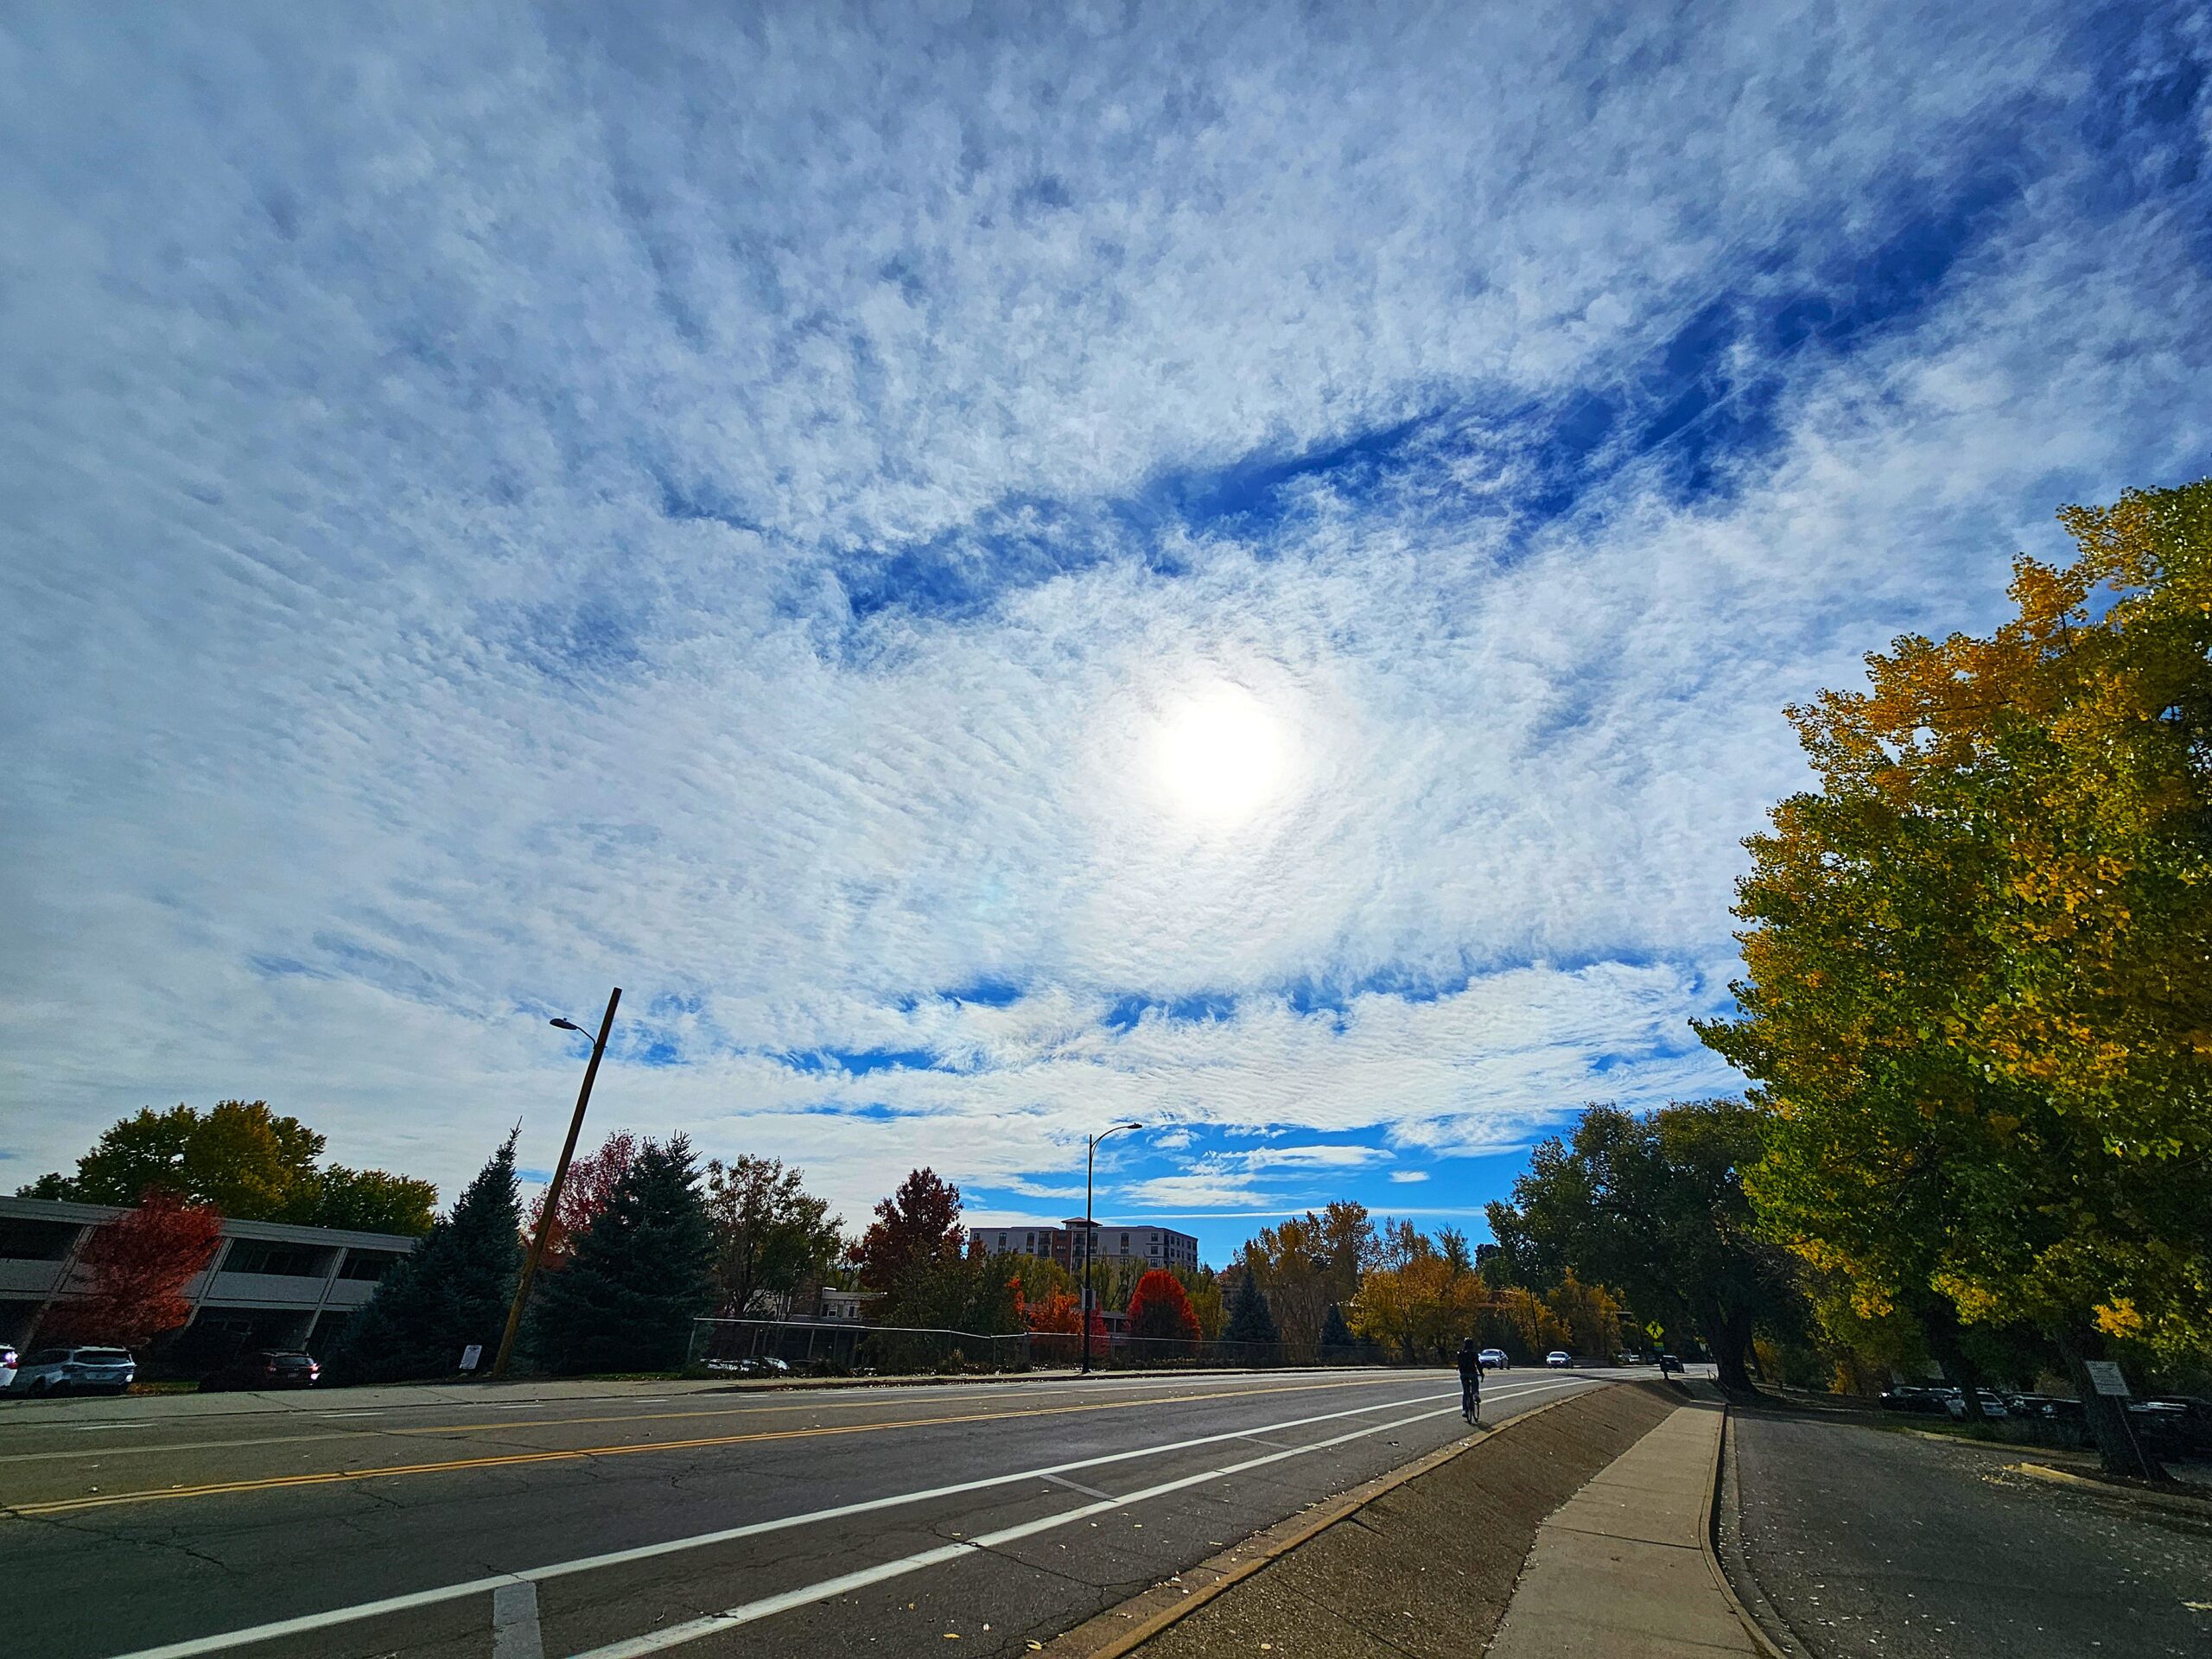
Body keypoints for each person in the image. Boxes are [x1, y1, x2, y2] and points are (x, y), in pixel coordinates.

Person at [1458, 1336, 1482, 1422]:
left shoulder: (1460, 1353)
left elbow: (1459, 1365)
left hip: (1463, 1374)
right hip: (1472, 1373)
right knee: (1475, 1381)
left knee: (1465, 1392)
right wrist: (1482, 1373)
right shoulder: (1473, 1353)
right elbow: (1478, 1364)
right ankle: (1475, 1394)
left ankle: (1464, 1410)